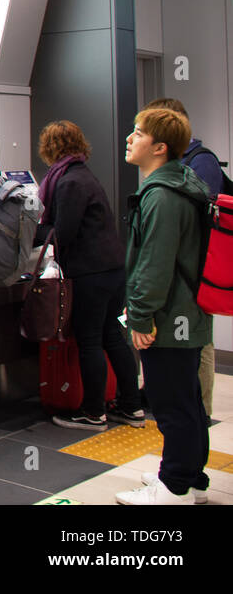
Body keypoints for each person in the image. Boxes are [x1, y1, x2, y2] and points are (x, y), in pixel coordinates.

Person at [115, 108, 212, 505]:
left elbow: (153, 265)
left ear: (159, 147)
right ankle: (187, 476)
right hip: (187, 313)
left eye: (137, 134)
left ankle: (174, 487)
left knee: (171, 402)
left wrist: (140, 317)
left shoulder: (162, 197)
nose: (129, 139)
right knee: (185, 399)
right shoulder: (182, 184)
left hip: (169, 319)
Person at [34, 121, 143, 430]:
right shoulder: (83, 175)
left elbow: (63, 233)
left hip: (90, 273)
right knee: (112, 336)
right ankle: (131, 407)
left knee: (90, 341)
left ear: (50, 147)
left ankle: (94, 412)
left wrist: (28, 231)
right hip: (112, 269)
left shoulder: (68, 182)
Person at [145, 97, 222, 421]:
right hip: (184, 277)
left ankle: (200, 410)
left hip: (193, 278)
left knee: (198, 346)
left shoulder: (199, 164)